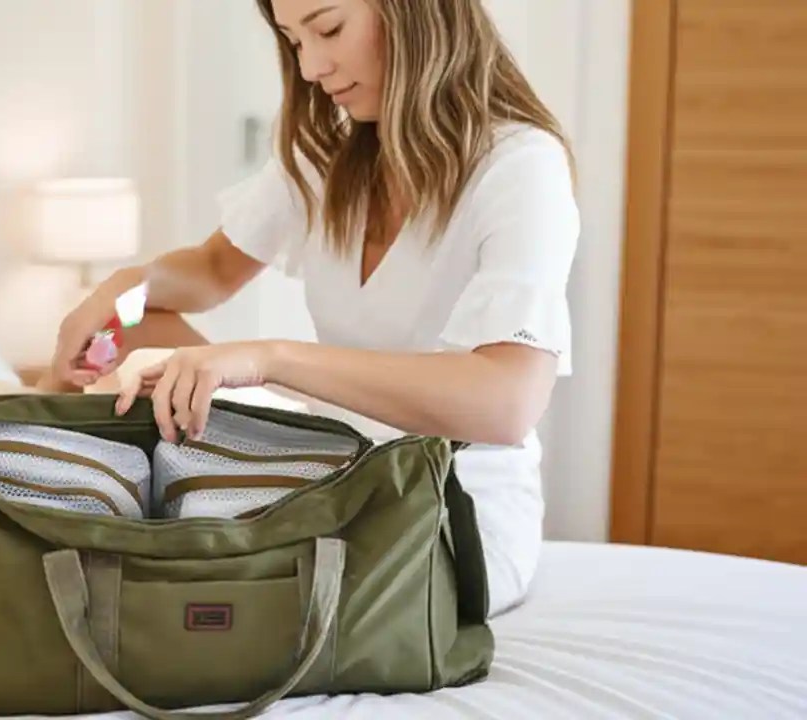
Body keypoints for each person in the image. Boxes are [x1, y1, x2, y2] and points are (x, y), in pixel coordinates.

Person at [46, 0, 579, 618]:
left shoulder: (519, 166)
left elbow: (507, 404)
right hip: (325, 462)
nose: (311, 67)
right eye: (294, 41)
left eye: (328, 29)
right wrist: (123, 294)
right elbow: (214, 271)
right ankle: (1, 464)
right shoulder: (331, 151)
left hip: (445, 500)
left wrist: (271, 360)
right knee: (140, 332)